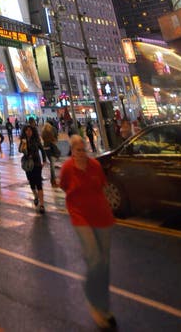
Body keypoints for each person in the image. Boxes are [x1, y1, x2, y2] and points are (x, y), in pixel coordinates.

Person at [60, 135, 116, 329]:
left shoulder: (95, 166)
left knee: (104, 263)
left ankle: (104, 307)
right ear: (72, 152)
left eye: (83, 149)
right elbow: (64, 186)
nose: (82, 153)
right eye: (78, 150)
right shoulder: (68, 168)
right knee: (95, 259)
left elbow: (102, 186)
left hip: (101, 215)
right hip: (80, 217)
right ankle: (94, 300)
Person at [19, 123, 46, 213]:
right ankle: (35, 196)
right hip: (28, 165)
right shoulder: (23, 141)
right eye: (26, 130)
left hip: (37, 164)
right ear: (24, 132)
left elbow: (42, 150)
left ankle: (42, 205)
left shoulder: (36, 140)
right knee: (31, 183)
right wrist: (23, 145)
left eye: (30, 130)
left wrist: (44, 160)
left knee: (39, 184)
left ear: (33, 131)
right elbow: (20, 150)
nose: (28, 132)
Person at [41, 119, 60, 187]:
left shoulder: (43, 130)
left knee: (51, 164)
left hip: (46, 148)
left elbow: (42, 138)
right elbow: (55, 137)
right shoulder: (52, 129)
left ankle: (52, 180)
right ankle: (53, 181)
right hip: (51, 148)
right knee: (52, 165)